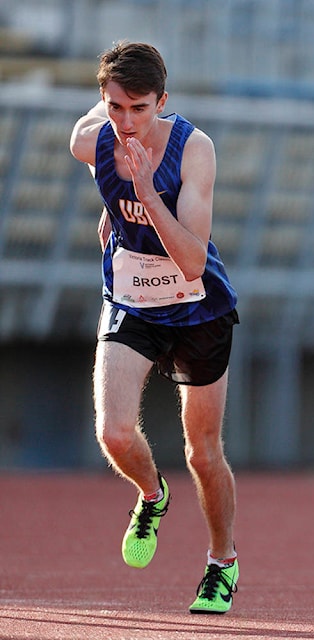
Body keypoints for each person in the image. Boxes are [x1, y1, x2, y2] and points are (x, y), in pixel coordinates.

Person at [69, 41, 240, 614]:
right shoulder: (92, 138)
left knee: (203, 452)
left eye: (138, 109)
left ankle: (222, 563)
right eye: (114, 107)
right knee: (114, 433)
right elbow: (84, 138)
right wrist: (114, 205)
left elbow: (192, 258)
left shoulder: (194, 150)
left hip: (196, 306)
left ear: (161, 102)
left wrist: (143, 193)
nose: (125, 121)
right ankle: (151, 494)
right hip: (132, 302)